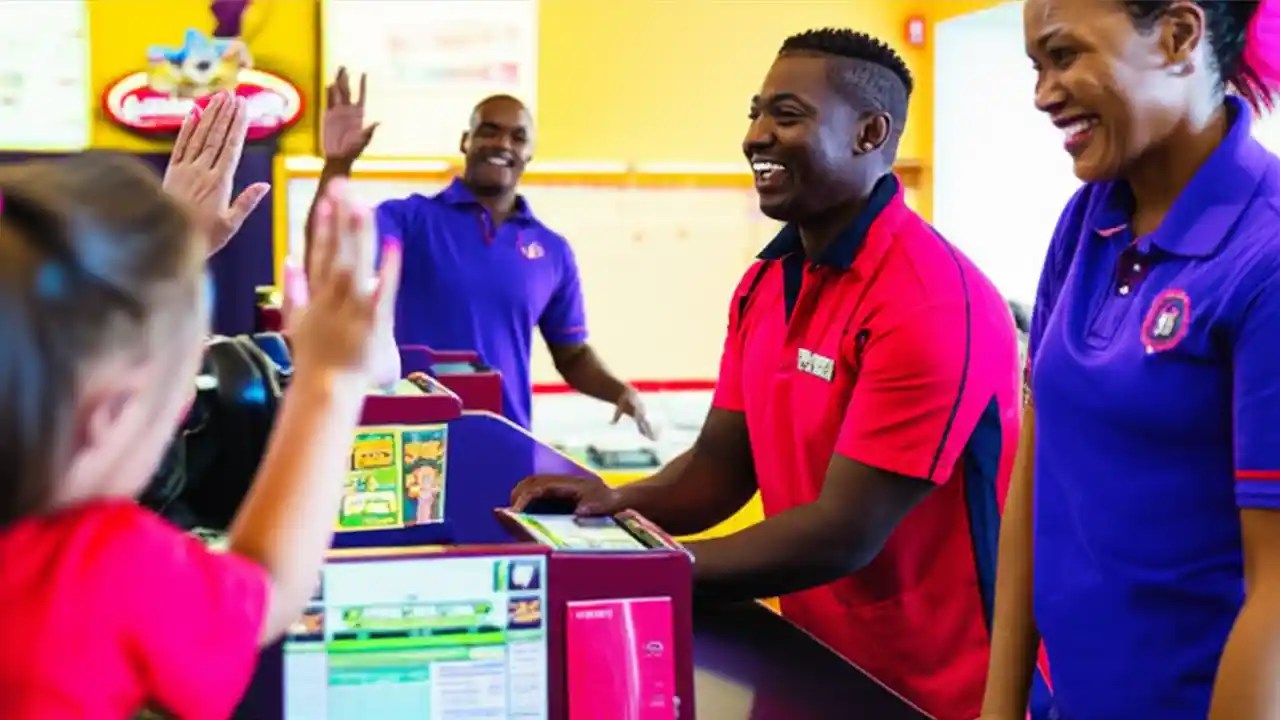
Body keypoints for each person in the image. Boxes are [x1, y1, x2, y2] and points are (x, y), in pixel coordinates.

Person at [513, 28, 1022, 720]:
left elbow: (844, 531)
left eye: (786, 115)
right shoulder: (766, 283)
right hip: (810, 664)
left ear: (869, 132)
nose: (756, 136)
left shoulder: (929, 299)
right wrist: (612, 506)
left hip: (939, 694)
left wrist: (649, 571)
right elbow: (717, 471)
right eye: (754, 113)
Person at [0, 94, 401, 718]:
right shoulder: (104, 568)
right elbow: (267, 586)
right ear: (110, 416)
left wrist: (174, 248)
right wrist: (329, 379)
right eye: (182, 387)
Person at [980, 2, 1280, 719]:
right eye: (1035, 66)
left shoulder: (1264, 258)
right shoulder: (1088, 220)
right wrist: (999, 708)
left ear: (1178, 36)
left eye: (1064, 56)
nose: (1043, 94)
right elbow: (1035, 466)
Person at [310, 68, 653, 436]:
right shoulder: (411, 219)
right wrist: (338, 164)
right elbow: (329, 251)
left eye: (517, 137)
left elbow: (572, 355)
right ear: (465, 140)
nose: (503, 144)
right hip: (416, 439)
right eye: (489, 130)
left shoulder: (553, 251)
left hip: (507, 440)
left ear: (529, 154)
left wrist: (620, 392)